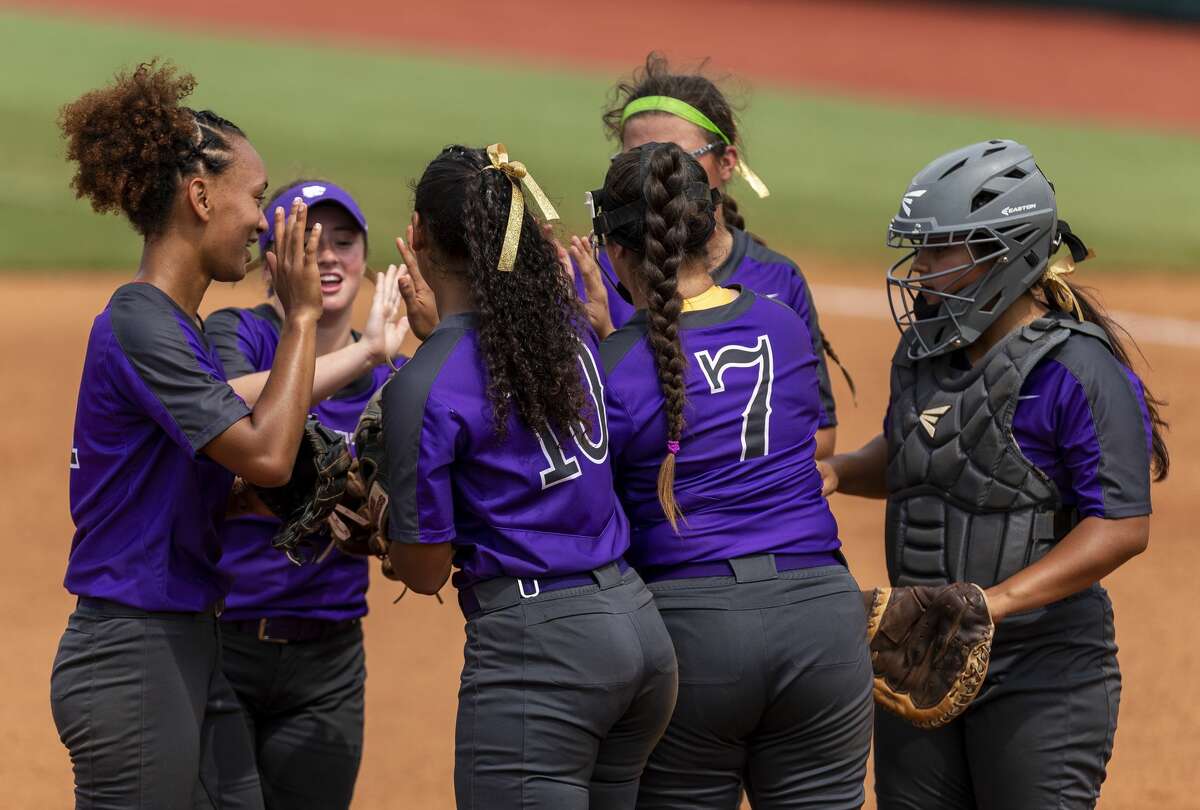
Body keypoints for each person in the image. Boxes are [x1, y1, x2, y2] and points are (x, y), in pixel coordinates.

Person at [822, 139, 1169, 810]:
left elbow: (1122, 527)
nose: (918, 273)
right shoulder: (924, 349)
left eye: (939, 252)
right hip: (919, 660)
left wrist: (992, 605)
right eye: (916, 252)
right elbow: (925, 455)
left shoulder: (1077, 370)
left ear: (1003, 253)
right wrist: (836, 471)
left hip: (1042, 674)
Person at [51, 60, 324, 808]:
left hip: (182, 643)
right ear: (201, 197)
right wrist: (300, 318)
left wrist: (245, 500)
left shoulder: (179, 330)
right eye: (257, 198)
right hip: (134, 651)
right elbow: (268, 454)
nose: (266, 222)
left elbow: (197, 481)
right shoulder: (141, 319)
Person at [574, 141, 872, 810]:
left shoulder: (613, 366)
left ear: (616, 251)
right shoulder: (784, 324)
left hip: (694, 636)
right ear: (711, 230)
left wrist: (604, 342)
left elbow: (598, 510)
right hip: (822, 618)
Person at [382, 144, 678, 810]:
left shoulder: (425, 384)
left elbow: (424, 571)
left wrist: (384, 527)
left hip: (542, 654)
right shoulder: (567, 332)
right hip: (637, 630)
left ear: (420, 235)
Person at [206, 179, 407, 810]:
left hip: (330, 663)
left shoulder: (392, 384)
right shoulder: (236, 332)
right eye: (308, 242)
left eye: (344, 242)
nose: (327, 257)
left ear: (366, 259)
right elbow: (225, 401)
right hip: (222, 648)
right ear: (272, 261)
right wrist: (369, 353)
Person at [582, 53, 841, 456]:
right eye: (634, 159)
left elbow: (820, 435)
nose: (656, 175)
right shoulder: (593, 274)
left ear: (726, 163)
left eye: (676, 157)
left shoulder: (777, 279)